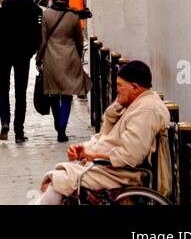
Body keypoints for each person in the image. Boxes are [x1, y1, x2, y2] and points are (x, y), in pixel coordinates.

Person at [39, 60, 170, 204]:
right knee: (54, 182)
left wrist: (93, 155)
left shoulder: (146, 111)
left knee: (56, 184)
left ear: (134, 87)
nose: (117, 90)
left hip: (118, 174)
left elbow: (130, 156)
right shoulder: (133, 104)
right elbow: (106, 136)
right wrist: (84, 149)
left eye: (120, 85)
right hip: (107, 169)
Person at [36, 0, 88, 143]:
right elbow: (79, 40)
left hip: (51, 58)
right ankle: (62, 128)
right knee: (66, 95)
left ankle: (57, 124)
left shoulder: (46, 14)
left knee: (53, 94)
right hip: (69, 57)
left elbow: (43, 40)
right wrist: (78, 57)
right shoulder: (73, 16)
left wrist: (39, 58)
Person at [0, 0, 43, 142]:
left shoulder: (7, 3)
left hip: (5, 53)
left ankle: (5, 122)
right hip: (23, 56)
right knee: (20, 93)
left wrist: (0, 46)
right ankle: (19, 131)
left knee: (3, 89)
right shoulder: (36, 10)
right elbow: (38, 36)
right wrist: (30, 52)